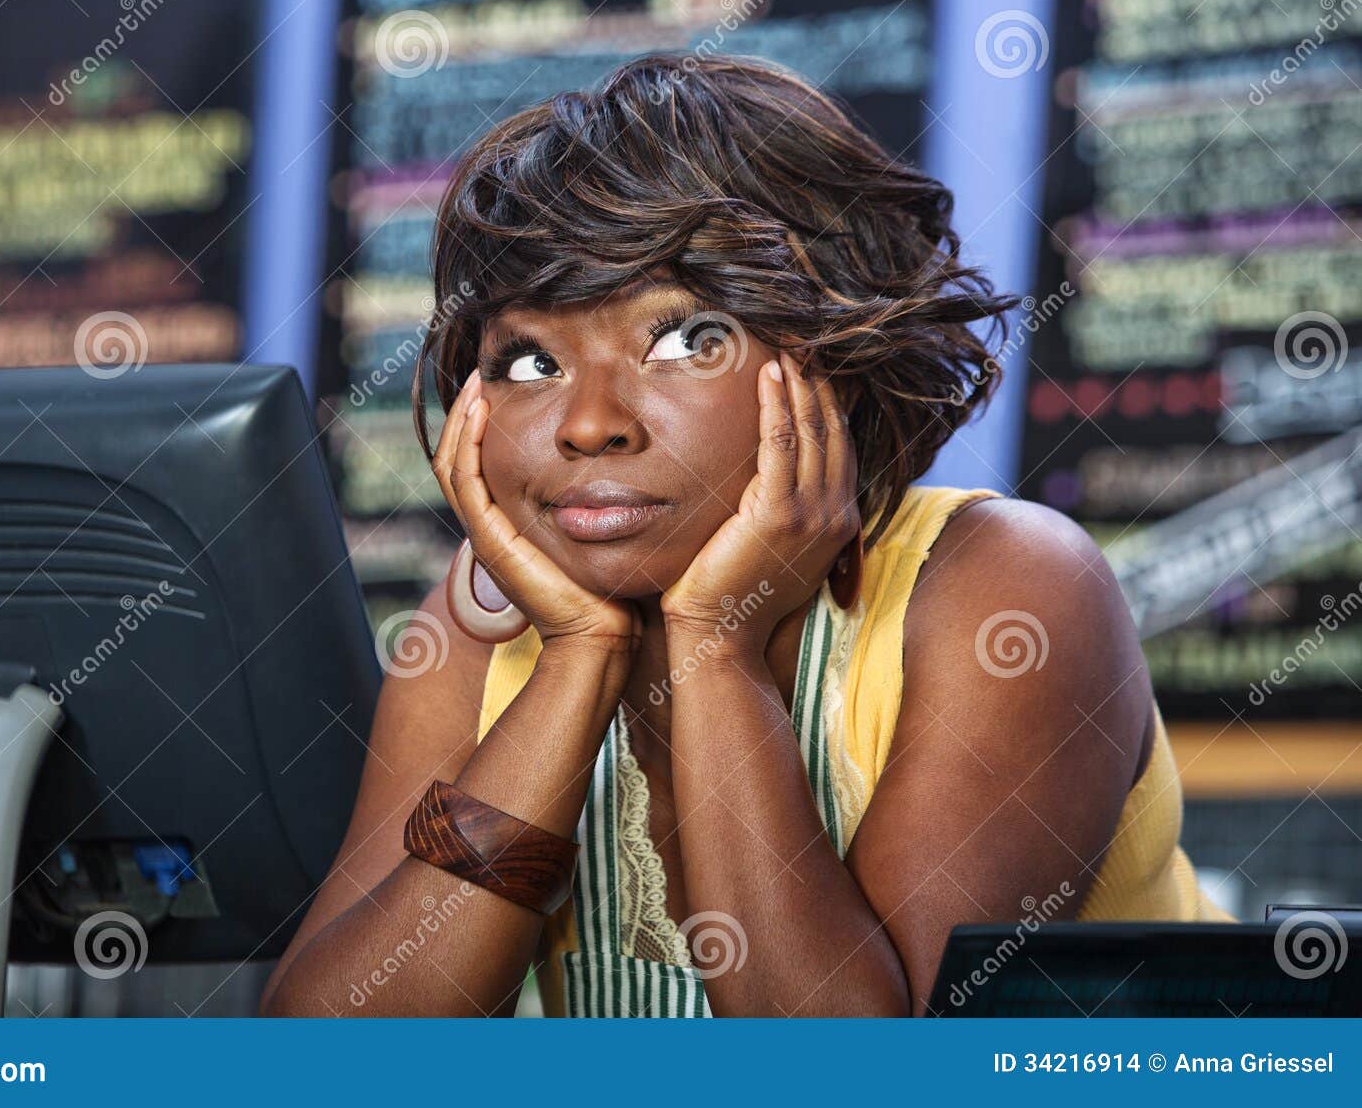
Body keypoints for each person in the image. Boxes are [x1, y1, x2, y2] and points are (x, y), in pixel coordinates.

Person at [261, 51, 1232, 1020]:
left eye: (685, 340)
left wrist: (718, 648)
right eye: (527, 360)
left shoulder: (1006, 592)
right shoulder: (479, 632)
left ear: (837, 359)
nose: (589, 422)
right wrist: (575, 660)